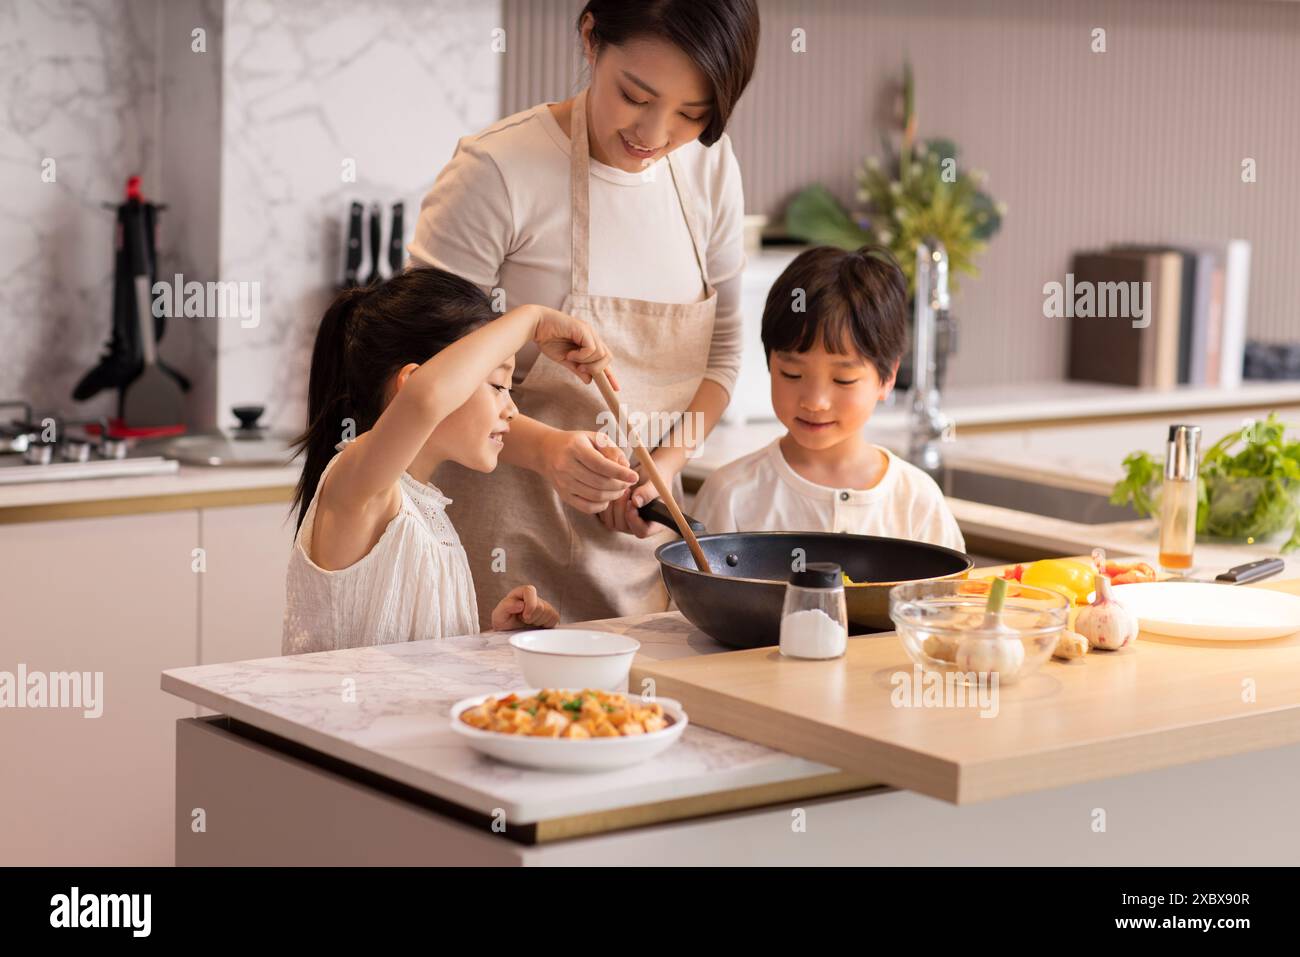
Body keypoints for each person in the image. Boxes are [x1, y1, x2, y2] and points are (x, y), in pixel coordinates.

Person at [409, 0, 761, 625]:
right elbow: (417, 376)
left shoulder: (711, 168)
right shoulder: (497, 171)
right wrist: (548, 451)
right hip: (492, 558)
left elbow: (724, 359)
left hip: (638, 568)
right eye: (635, 94)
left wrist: (662, 468)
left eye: (690, 113)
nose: (653, 135)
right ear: (591, 38)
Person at [282, 267, 616, 655]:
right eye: (497, 385)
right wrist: (533, 319)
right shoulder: (360, 484)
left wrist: (488, 638)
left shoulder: (426, 511)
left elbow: (415, 666)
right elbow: (427, 398)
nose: (511, 409)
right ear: (412, 381)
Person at [693, 245, 966, 552]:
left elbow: (949, 599)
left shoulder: (917, 501)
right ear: (770, 363)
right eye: (792, 375)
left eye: (843, 379)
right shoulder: (731, 495)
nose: (815, 401)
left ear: (888, 377)